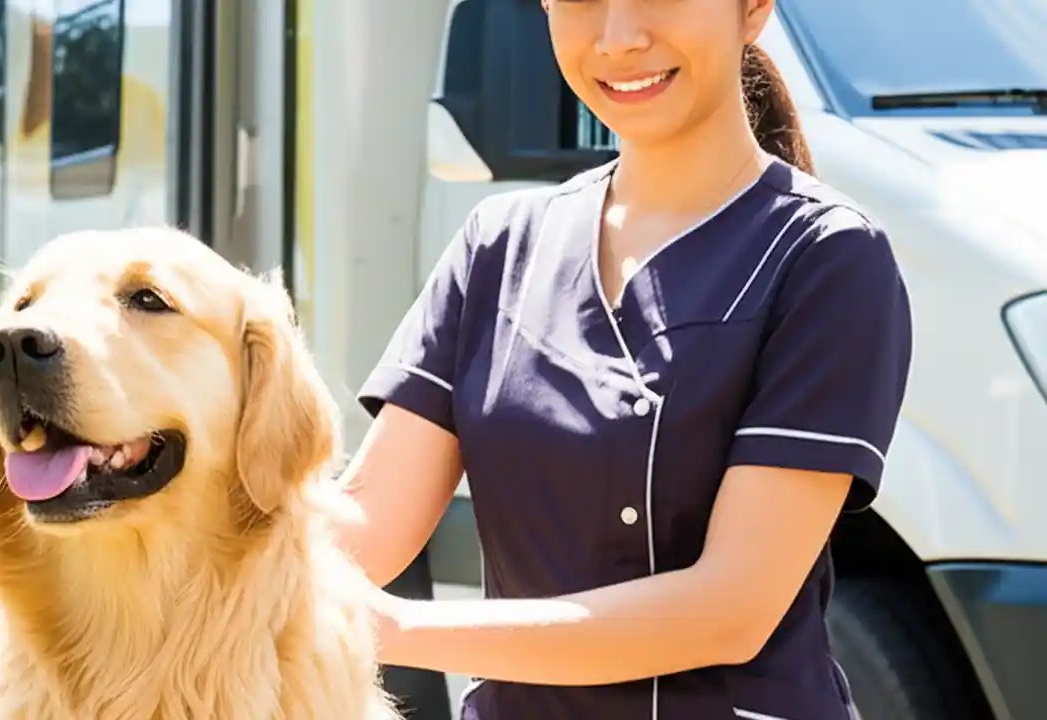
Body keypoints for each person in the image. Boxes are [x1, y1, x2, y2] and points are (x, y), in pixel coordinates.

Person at [336, 0, 913, 718]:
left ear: (754, 8)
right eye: (580, 1)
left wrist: (381, 628)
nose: (618, 37)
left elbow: (730, 608)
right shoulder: (499, 246)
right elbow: (362, 529)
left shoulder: (827, 257)